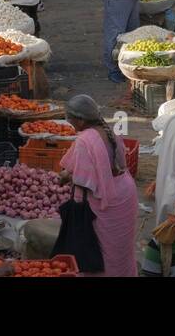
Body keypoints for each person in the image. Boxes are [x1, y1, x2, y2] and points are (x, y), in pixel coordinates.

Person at [57, 94, 138, 276]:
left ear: (80, 120)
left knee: (102, 253)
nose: (69, 122)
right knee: (121, 251)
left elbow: (84, 180)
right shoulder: (108, 130)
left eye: (69, 118)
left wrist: (64, 176)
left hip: (105, 199)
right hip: (124, 192)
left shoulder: (84, 140)